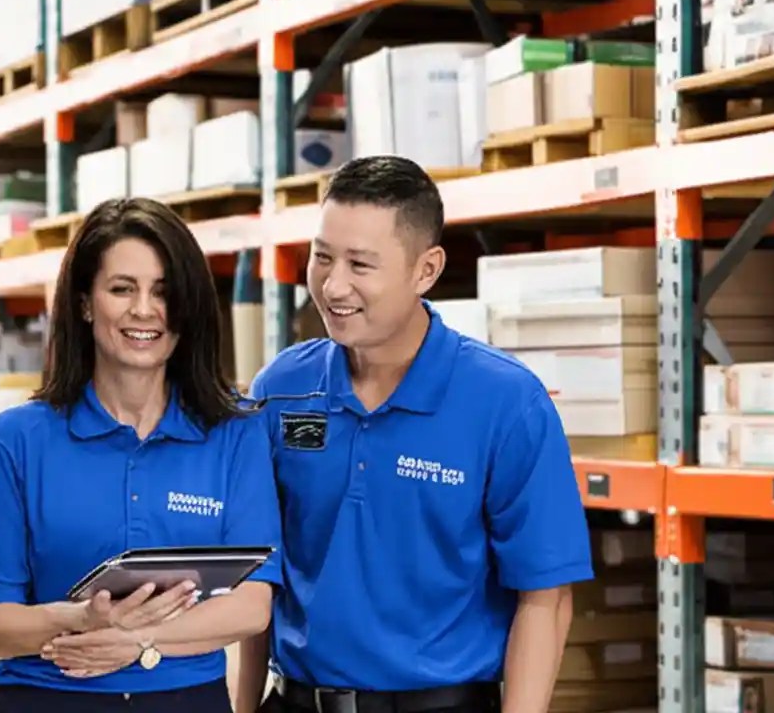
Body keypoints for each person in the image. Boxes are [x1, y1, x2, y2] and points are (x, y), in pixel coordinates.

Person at [240, 156, 594, 713]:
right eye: (322, 257)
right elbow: (255, 579)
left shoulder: (505, 403)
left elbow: (545, 600)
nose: (333, 285)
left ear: (426, 270)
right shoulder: (280, 389)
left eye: (360, 264)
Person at [0, 197, 284, 713]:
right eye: (122, 289)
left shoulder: (235, 434)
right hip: (48, 699)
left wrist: (140, 641)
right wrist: (82, 620)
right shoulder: (16, 441)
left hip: (186, 701)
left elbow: (252, 606)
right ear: (84, 303)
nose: (144, 310)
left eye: (163, 292)